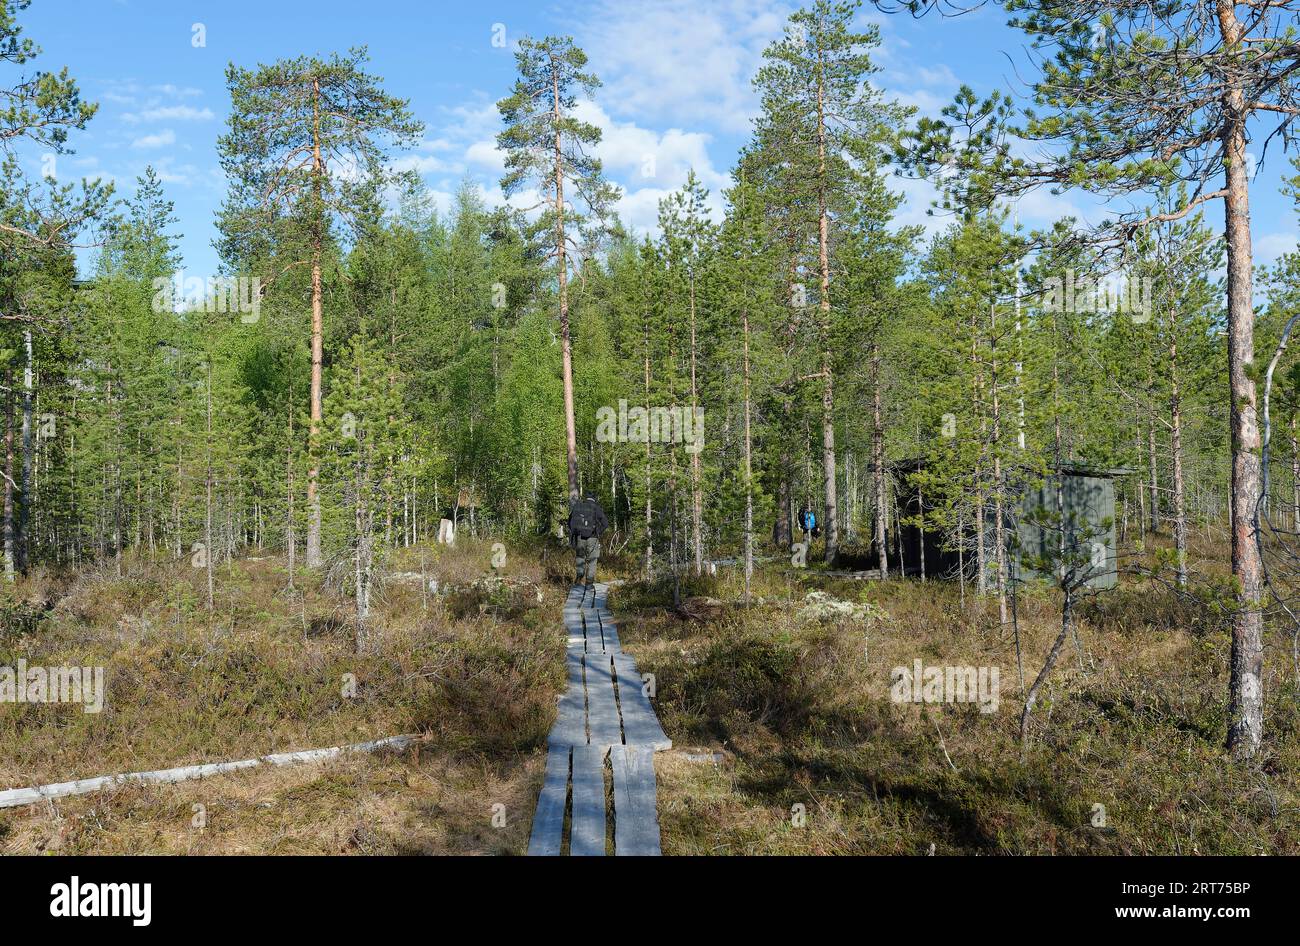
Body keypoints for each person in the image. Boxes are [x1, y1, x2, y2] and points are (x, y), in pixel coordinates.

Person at [568, 493, 609, 586]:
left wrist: (576, 532)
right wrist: (598, 532)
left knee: (580, 557)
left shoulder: (578, 506)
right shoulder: (596, 507)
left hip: (579, 537)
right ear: (594, 499)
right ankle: (589, 582)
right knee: (592, 559)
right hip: (593, 538)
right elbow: (605, 523)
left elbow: (569, 522)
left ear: (586, 498)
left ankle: (579, 578)